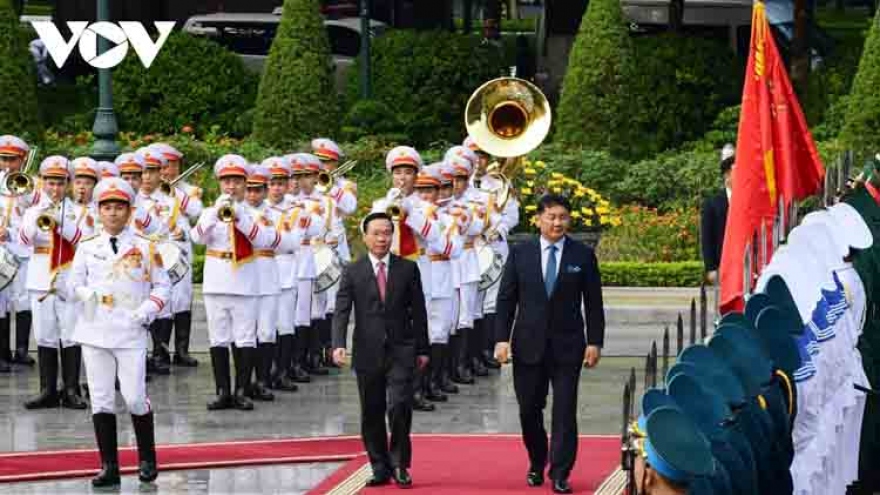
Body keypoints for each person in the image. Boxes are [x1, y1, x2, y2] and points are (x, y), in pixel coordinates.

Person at [494, 194, 606, 494]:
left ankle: (560, 472)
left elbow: (594, 303)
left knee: (565, 410)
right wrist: (501, 339)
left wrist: (595, 341)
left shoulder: (582, 255)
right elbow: (506, 298)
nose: (557, 223)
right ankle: (536, 460)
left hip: (568, 345)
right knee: (529, 409)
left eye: (563, 217)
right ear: (538, 219)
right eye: (551, 217)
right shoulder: (521, 253)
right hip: (528, 344)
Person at [67, 177, 170, 487]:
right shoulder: (87, 247)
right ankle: (108, 466)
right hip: (95, 328)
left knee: (135, 397)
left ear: (130, 211)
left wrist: (147, 310)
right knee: (101, 399)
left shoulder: (145, 246)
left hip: (130, 330)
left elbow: (163, 284)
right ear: (98, 211)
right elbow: (73, 285)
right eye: (107, 207)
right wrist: (87, 296)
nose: (112, 213)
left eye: (119, 207)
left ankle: (147, 458)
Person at [332, 211, 429, 488]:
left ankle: (400, 464)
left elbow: (419, 312)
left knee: (399, 406)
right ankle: (379, 465)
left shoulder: (407, 269)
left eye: (387, 232)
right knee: (371, 411)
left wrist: (422, 348)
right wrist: (338, 343)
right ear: (365, 237)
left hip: (402, 349)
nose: (382, 238)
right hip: (367, 351)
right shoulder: (353, 270)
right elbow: (341, 310)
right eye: (376, 233)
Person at [21, 156, 92, 410]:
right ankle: (47, 390)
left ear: (69, 184)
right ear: (42, 183)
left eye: (61, 183)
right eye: (50, 183)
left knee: (70, 335)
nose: (55, 189)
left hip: (68, 277)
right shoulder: (32, 210)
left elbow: (83, 240)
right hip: (41, 278)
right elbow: (25, 239)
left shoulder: (80, 212)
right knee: (45, 335)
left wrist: (61, 222)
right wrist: (39, 213)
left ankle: (71, 390)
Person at [701, 143, 734, 285]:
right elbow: (707, 238)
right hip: (721, 266)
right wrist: (711, 268)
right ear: (727, 175)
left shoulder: (747, 202)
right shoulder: (712, 204)